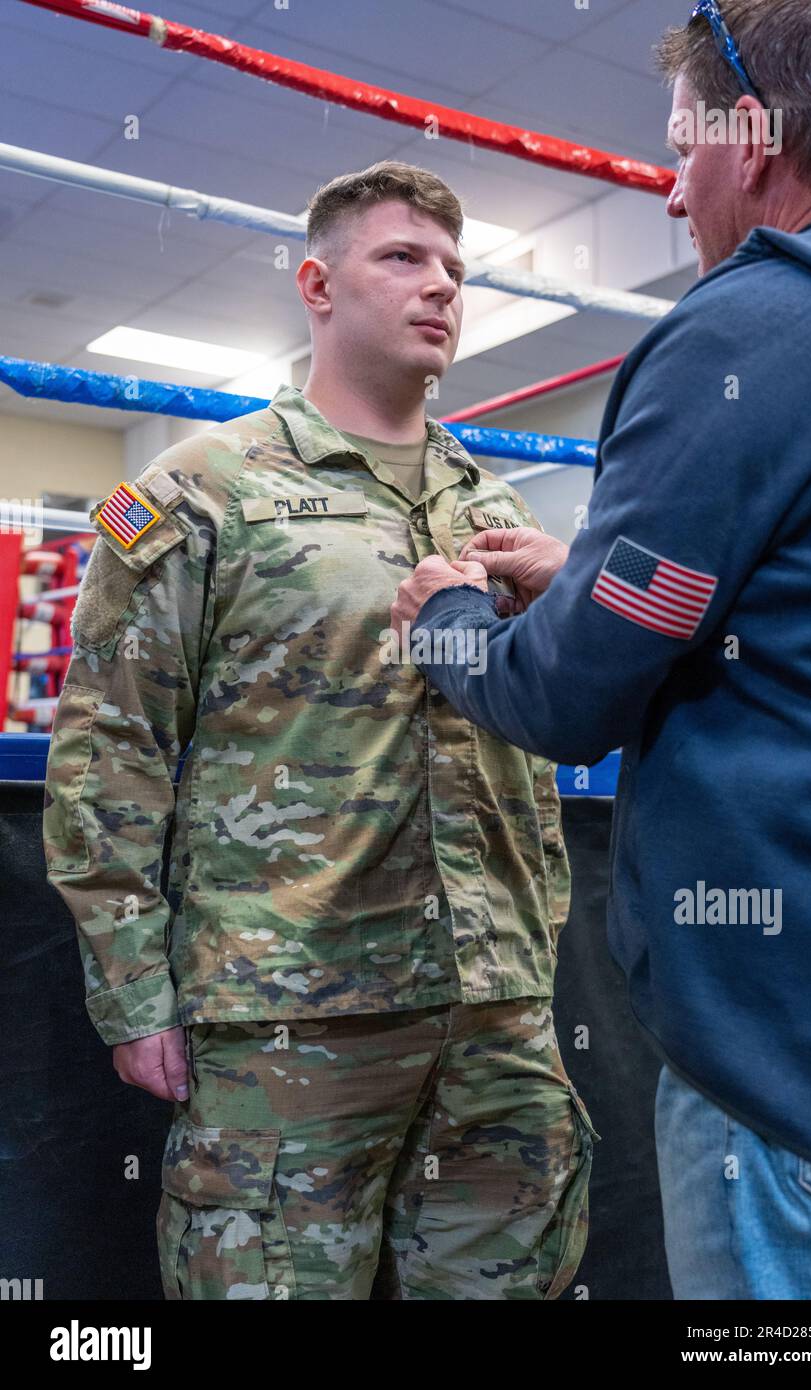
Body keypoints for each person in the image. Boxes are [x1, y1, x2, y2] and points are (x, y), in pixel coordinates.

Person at [42, 160, 597, 1301]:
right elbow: (111, 750)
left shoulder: (498, 515)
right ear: (316, 282)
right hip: (290, 1012)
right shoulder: (204, 489)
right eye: (403, 257)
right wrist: (136, 993)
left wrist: (532, 954)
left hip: (494, 1012)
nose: (439, 285)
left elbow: (536, 754)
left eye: (455, 267)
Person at [392, 0, 811, 1301]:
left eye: (680, 146)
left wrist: (448, 618)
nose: (668, 189)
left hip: (797, 1084)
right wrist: (606, 584)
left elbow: (559, 696)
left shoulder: (753, 330)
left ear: (752, 136)